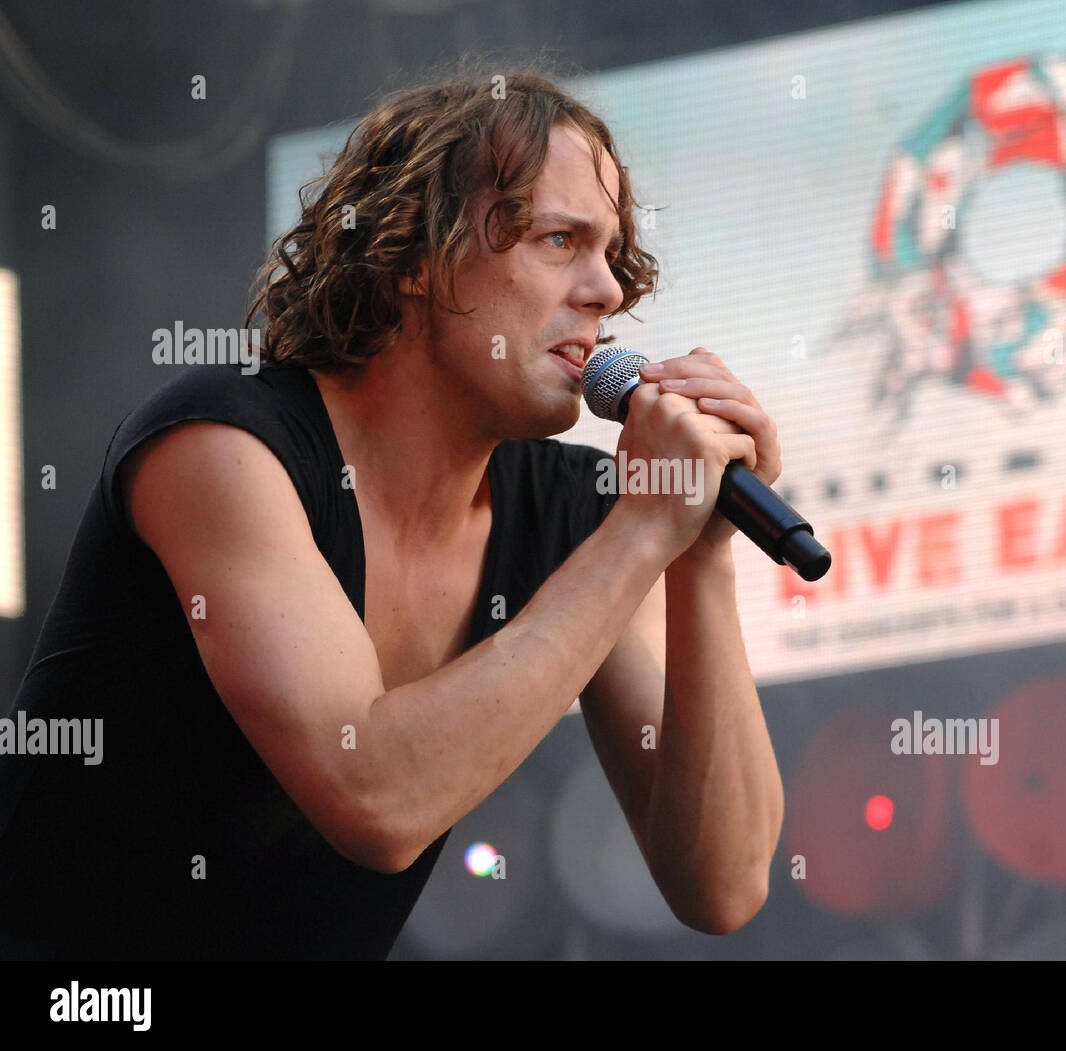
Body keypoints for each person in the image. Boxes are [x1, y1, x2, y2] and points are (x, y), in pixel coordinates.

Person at [0, 73, 785, 960]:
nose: (606, 288)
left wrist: (700, 552)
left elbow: (723, 883)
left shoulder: (582, 517)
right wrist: (644, 531)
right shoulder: (225, 449)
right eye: (559, 239)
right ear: (414, 255)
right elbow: (374, 798)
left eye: (610, 252)